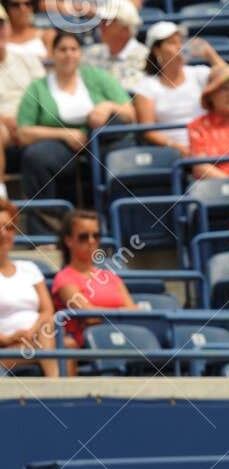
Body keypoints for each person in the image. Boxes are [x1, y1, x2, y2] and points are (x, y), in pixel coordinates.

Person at [16, 28, 132, 213]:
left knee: (117, 144)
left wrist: (108, 106)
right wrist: (64, 134)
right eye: (62, 50)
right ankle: (47, 223)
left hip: (101, 144)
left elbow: (130, 113)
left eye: (73, 49)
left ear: (80, 53)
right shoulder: (38, 87)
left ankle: (114, 217)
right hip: (60, 148)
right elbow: (23, 132)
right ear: (53, 54)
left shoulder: (98, 77)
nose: (69, 54)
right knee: (35, 157)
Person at [51, 204, 136, 365]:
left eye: (96, 236)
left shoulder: (110, 276)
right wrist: (122, 313)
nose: (91, 241)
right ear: (68, 240)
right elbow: (88, 314)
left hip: (125, 340)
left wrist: (103, 315)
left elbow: (135, 312)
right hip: (88, 349)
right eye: (83, 237)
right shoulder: (64, 278)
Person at [133, 22, 227, 154]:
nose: (179, 47)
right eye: (172, 43)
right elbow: (149, 131)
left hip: (210, 146)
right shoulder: (146, 86)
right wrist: (177, 147)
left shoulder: (199, 73)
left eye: (180, 42)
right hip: (173, 154)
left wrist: (211, 55)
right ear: (156, 50)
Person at [0, 198, 57, 376]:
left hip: (36, 337)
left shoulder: (29, 268)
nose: (3, 234)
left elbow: (47, 310)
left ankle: (55, 386)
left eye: (9, 228)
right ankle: (56, 386)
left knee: (52, 335)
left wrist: (32, 331)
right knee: (64, 347)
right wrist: (7, 338)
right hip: (6, 347)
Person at [0, 3, 42, 159]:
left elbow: (44, 96)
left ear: (8, 27)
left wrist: (23, 120)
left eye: (1, 25)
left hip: (30, 122)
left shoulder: (27, 59)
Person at [82, 0, 147, 94]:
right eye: (102, 21)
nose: (101, 26)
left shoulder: (145, 58)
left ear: (125, 28)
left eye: (108, 22)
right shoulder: (89, 55)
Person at [2, 0, 48, 65]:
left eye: (27, 4)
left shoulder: (46, 36)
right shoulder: (1, 39)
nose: (23, 9)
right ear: (6, 8)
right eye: (15, 4)